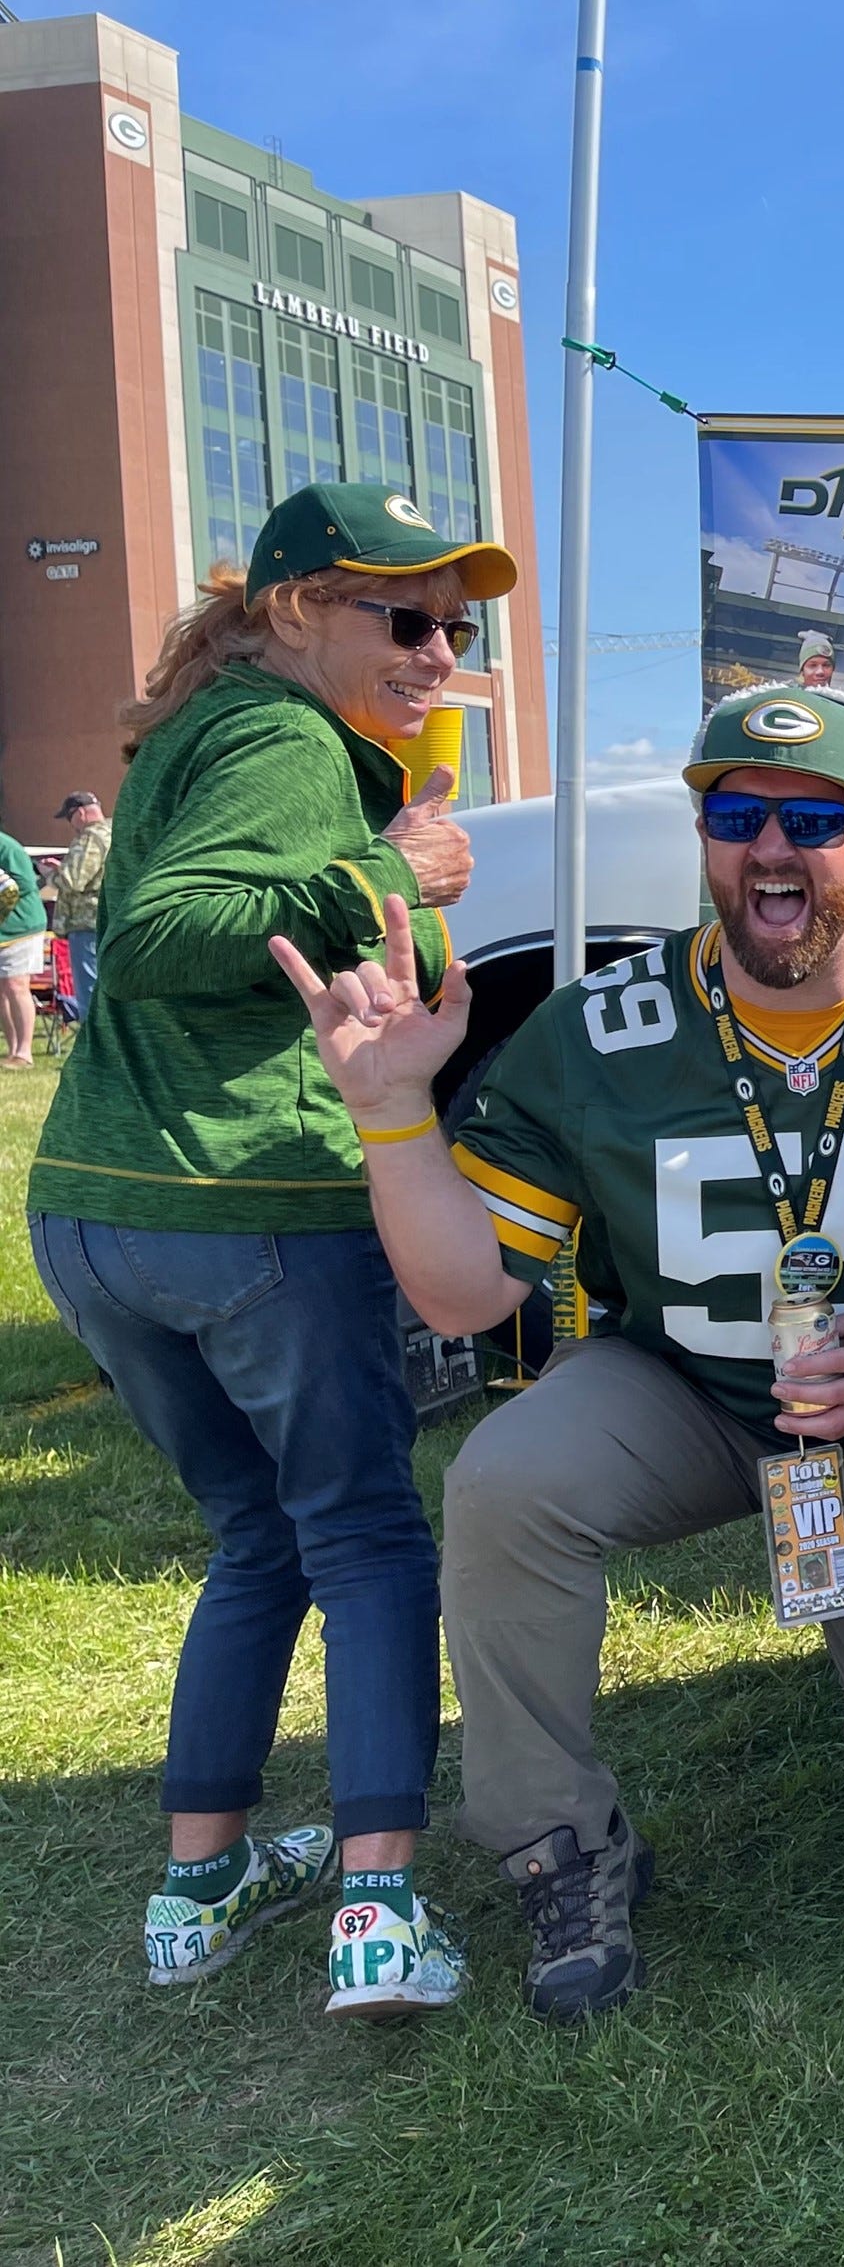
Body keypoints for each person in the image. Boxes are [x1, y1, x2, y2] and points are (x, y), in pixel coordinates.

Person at [277, 683, 844, 2021]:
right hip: (678, 1386)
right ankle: (562, 1845)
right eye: (737, 816)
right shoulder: (599, 1028)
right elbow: (463, 1298)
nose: (772, 849)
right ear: (703, 838)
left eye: (814, 820)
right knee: (508, 1480)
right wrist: (393, 1113)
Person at [27, 479, 506, 2018]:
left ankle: (199, 1887)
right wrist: (389, 876)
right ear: (297, 610)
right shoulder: (287, 740)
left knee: (261, 1538)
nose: (439, 653)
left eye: (455, 626)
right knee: (364, 1537)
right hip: (248, 1209)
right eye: (407, 618)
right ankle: (378, 1908)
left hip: (101, 1210)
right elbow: (162, 934)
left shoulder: (210, 725)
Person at [50, 790, 110, 1019]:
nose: (71, 824)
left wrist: (50, 874)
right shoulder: (113, 833)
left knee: (89, 991)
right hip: (106, 919)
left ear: (81, 813)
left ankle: (92, 1037)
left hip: (85, 923)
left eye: (69, 817)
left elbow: (72, 880)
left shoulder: (90, 837)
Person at [0, 820, 42, 1066]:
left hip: (21, 924)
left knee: (16, 985)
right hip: (4, 928)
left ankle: (24, 1053)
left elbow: (20, 886)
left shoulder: (5, 846)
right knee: (2, 989)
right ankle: (13, 1049)